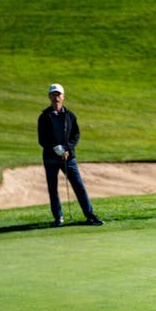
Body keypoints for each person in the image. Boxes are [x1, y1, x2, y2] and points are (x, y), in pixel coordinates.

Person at [38, 83, 103, 227]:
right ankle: (58, 217)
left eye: (58, 94)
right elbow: (42, 139)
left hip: (69, 157)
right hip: (50, 158)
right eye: (53, 94)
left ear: (63, 96)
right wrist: (56, 149)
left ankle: (90, 215)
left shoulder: (70, 115)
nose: (56, 97)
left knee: (78, 186)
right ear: (49, 96)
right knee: (53, 189)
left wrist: (67, 148)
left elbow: (76, 135)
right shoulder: (44, 117)